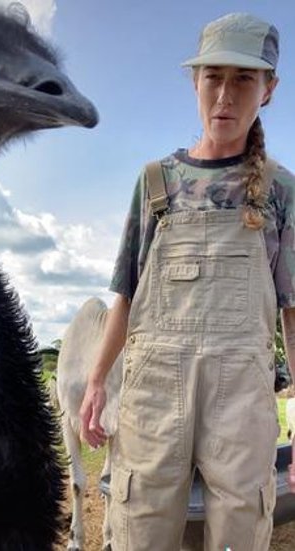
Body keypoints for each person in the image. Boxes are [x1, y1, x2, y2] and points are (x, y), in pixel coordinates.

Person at [79, 13, 294, 550]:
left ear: (268, 89)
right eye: (213, 76)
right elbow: (124, 295)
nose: (225, 94)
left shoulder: (280, 191)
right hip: (152, 397)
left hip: (242, 401)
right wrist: (98, 380)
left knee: (239, 532)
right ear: (195, 83)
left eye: (244, 78)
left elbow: (292, 310)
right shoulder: (156, 183)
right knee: (139, 530)